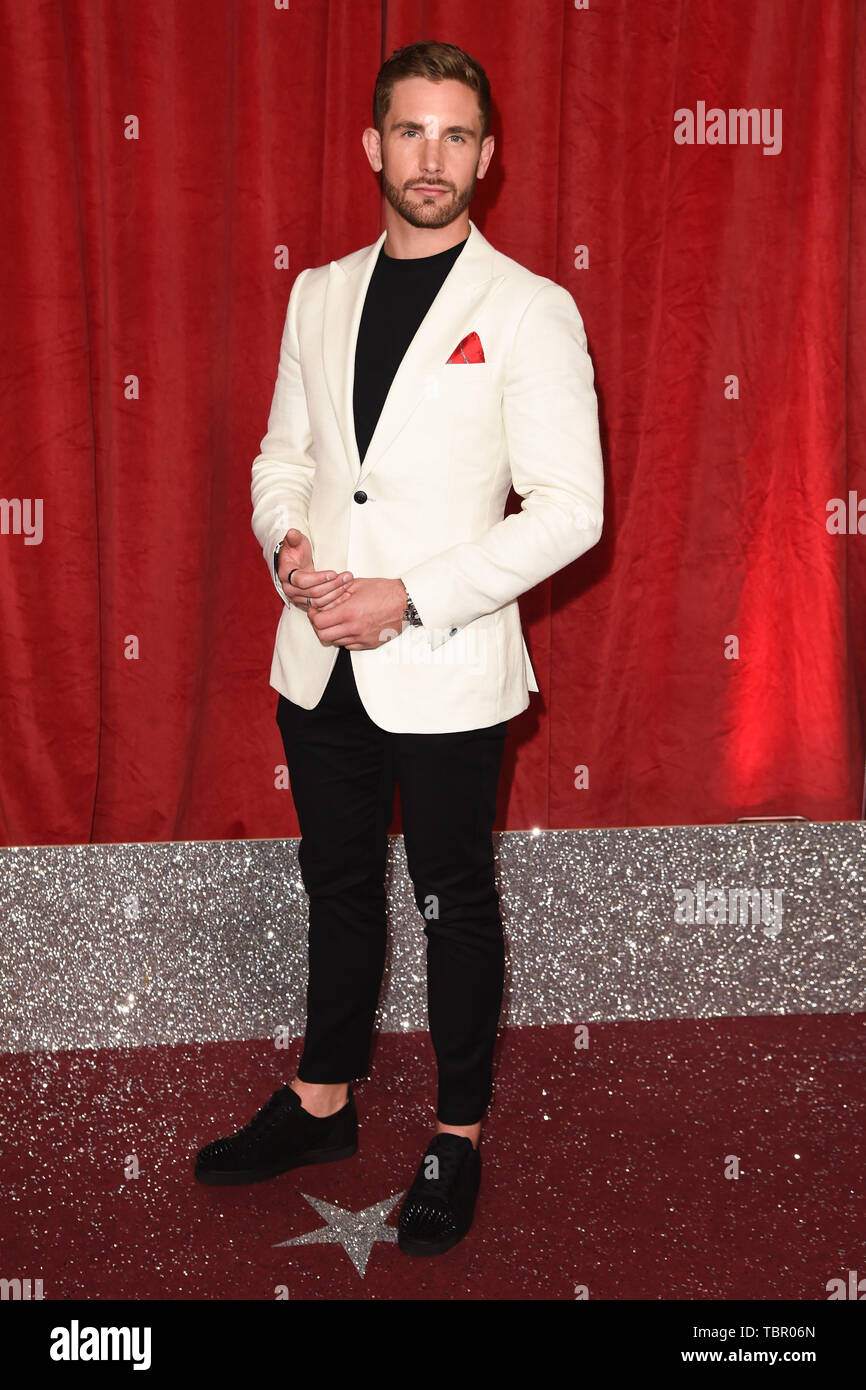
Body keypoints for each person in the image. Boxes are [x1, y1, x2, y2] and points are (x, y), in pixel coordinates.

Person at [195, 39, 604, 1258]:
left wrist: (408, 598)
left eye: (457, 136)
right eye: (411, 133)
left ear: (485, 155)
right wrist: (288, 544)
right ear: (374, 145)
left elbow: (570, 510)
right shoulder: (316, 291)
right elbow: (285, 458)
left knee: (451, 898)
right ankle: (322, 1100)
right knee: (335, 887)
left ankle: (456, 1132)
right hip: (315, 649)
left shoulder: (529, 307)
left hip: (444, 657)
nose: (433, 158)